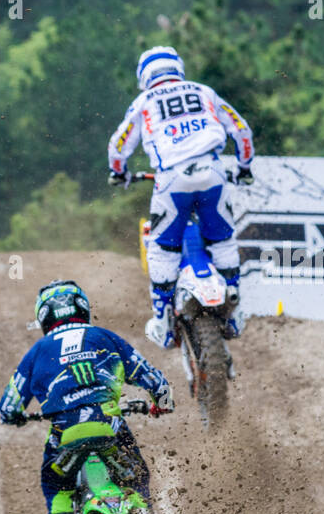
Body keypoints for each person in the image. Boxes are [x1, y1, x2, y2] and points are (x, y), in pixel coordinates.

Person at [0, 280, 172, 514]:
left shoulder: (37, 352)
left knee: (56, 487)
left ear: (44, 318)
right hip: (110, 427)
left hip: (65, 434)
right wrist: (162, 402)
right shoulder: (104, 337)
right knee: (139, 480)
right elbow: (153, 378)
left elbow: (8, 406)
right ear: (84, 309)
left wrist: (17, 417)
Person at [106, 46, 255, 349]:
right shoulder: (205, 92)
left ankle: (161, 319)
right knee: (223, 240)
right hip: (212, 170)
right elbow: (241, 129)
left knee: (163, 250)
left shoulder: (144, 101)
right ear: (178, 68)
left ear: (144, 77)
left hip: (172, 178)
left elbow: (118, 145)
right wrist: (244, 167)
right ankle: (235, 309)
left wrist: (118, 172)